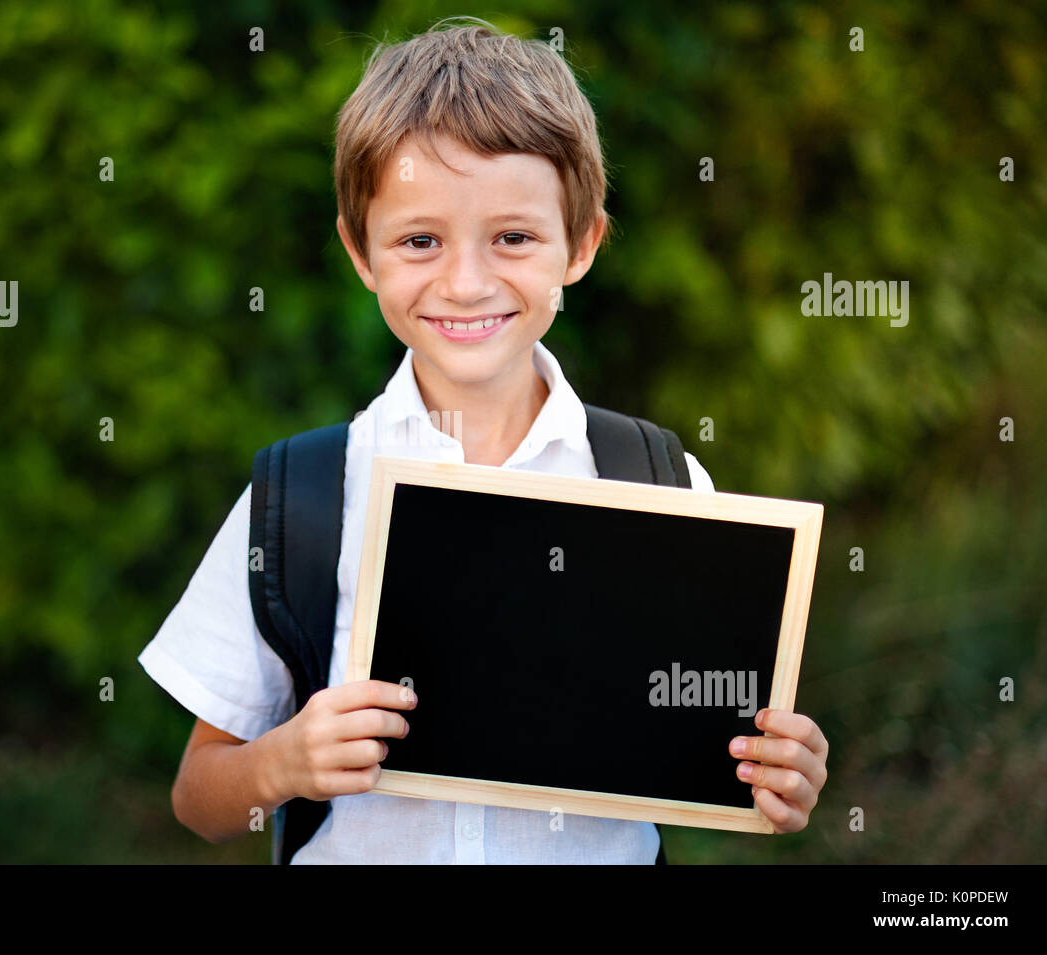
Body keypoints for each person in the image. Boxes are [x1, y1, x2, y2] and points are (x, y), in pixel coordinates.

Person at [138, 17, 828, 863]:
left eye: (513, 237)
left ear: (581, 245)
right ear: (362, 252)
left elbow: (723, 736)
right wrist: (283, 762)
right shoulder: (305, 497)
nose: (466, 283)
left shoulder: (657, 481)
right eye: (420, 240)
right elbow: (200, 797)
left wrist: (780, 770)